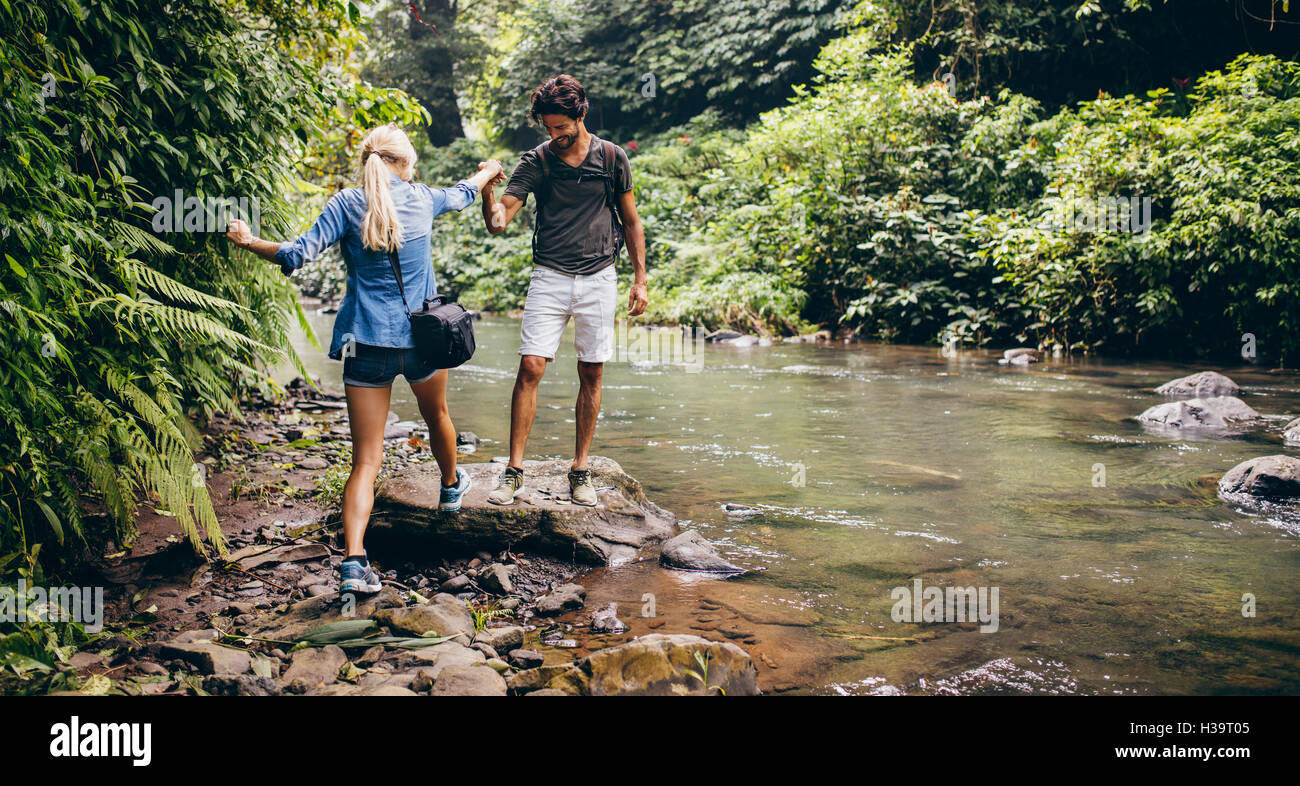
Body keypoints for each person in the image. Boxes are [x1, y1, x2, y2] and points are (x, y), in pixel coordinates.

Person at [225, 123, 503, 594]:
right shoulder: (422, 199)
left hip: (365, 343)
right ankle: (452, 487)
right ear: (404, 163)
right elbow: (463, 193)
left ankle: (355, 563)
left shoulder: (345, 205)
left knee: (366, 461)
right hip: (422, 342)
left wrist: (248, 240)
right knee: (436, 416)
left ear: (367, 161)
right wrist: (491, 171)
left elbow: (295, 256)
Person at [479, 74, 647, 507]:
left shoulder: (612, 158)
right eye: (547, 128)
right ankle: (514, 471)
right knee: (531, 366)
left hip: (599, 277)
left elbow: (630, 221)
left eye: (561, 128)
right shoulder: (537, 161)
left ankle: (580, 470)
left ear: (581, 114)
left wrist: (640, 279)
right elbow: (499, 223)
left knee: (591, 371)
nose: (554, 136)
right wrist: (487, 194)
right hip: (550, 276)